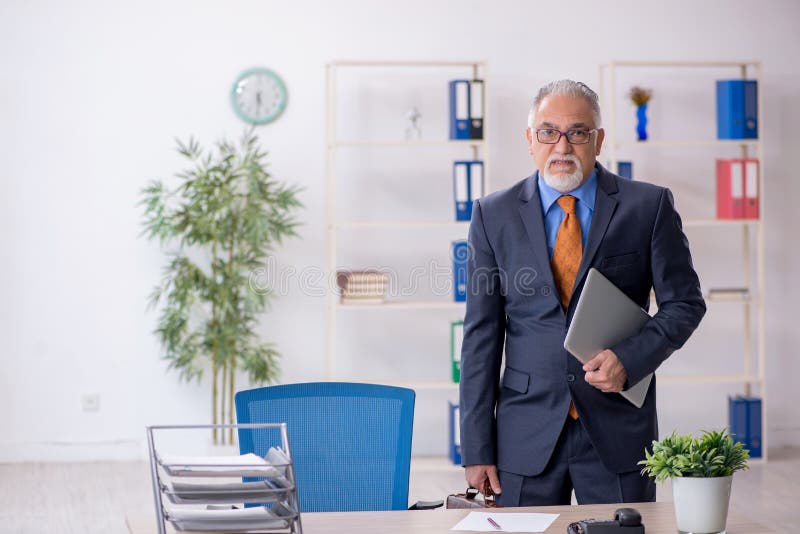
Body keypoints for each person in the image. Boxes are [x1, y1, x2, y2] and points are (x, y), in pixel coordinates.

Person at [459, 79, 706, 506]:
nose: (562, 146)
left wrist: (629, 360)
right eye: (548, 131)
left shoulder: (648, 207)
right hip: (525, 434)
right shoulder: (491, 215)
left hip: (617, 432)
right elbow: (480, 336)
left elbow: (684, 304)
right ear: (529, 139)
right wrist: (477, 446)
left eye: (578, 132)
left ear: (599, 140)